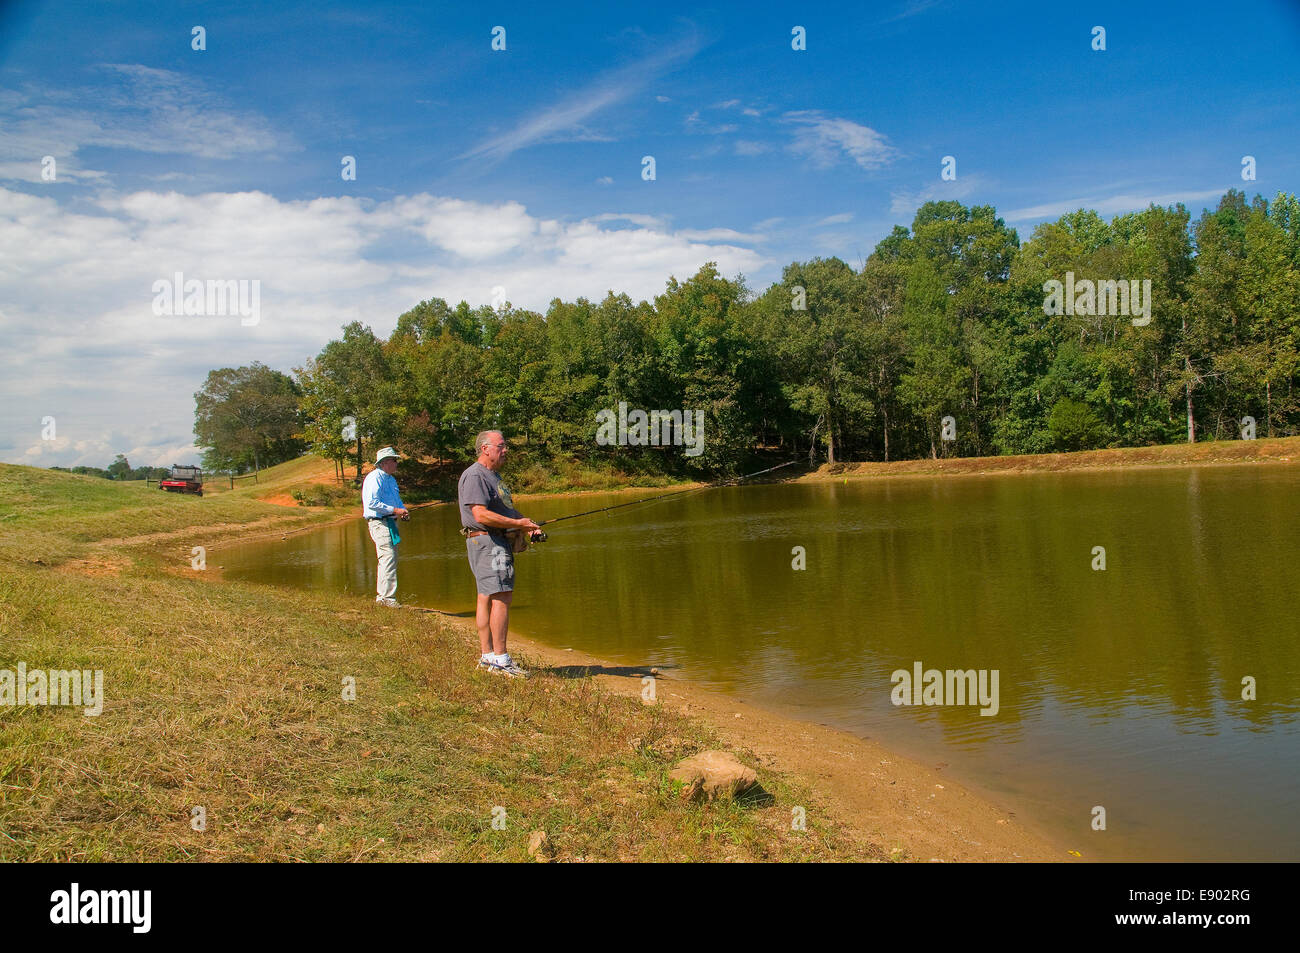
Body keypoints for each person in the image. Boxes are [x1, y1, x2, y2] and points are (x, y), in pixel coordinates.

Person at [457, 430, 540, 678]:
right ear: (485, 449)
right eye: (501, 446)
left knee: (486, 596)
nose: (506, 450)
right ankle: (501, 660)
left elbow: (506, 510)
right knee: (502, 595)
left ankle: (488, 657)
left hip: (490, 541)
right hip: (488, 542)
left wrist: (528, 525)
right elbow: (481, 515)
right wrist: (518, 524)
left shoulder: (493, 476)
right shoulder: (475, 475)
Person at [362, 446, 409, 607]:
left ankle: (385, 597)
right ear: (385, 462)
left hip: (390, 523)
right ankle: (386, 598)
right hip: (379, 523)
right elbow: (372, 503)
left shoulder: (390, 479)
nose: (397, 463)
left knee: (391, 559)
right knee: (387, 558)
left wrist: (402, 510)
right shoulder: (375, 477)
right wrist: (395, 510)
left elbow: (396, 500)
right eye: (394, 460)